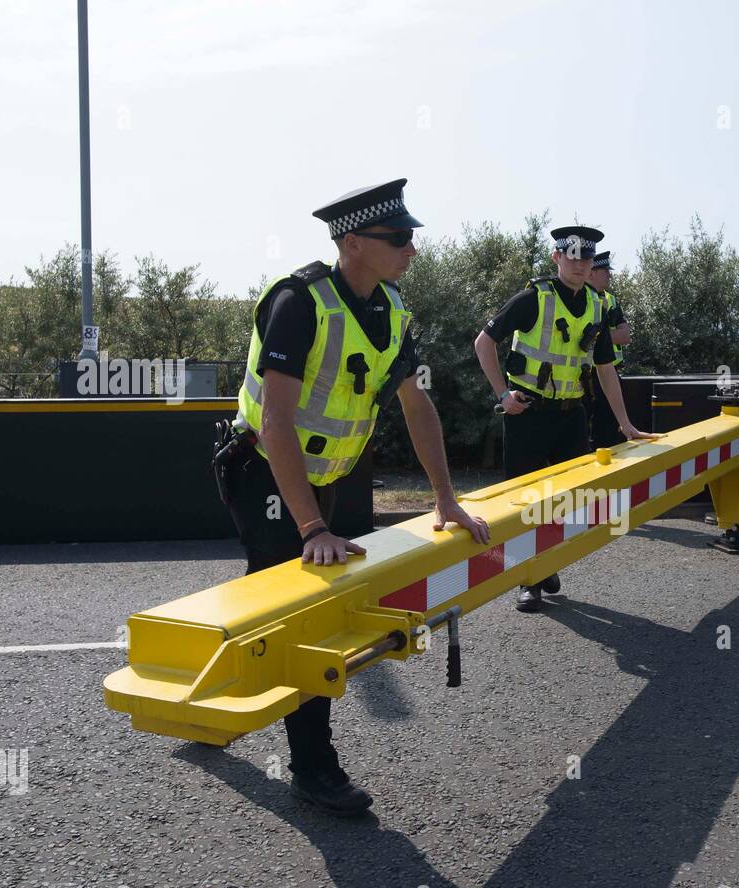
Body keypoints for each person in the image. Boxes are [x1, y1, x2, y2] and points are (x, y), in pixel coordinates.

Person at [217, 178, 489, 816]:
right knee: (307, 610)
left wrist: (445, 498)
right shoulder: (298, 302)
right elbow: (277, 422)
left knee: (277, 598)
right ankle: (314, 768)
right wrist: (312, 528)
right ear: (351, 242)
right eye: (398, 238)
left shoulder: (391, 307)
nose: (411, 249)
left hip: (323, 478)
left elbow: (416, 404)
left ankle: (230, 684)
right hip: (263, 472)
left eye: (412, 237)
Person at [473, 225, 654, 613]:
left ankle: (546, 563)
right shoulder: (532, 298)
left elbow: (606, 369)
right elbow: (483, 342)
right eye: (571, 257)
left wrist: (625, 425)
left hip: (572, 415)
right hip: (528, 415)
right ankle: (530, 580)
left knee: (567, 503)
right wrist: (502, 395)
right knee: (526, 503)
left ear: (592, 265)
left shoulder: (596, 305)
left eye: (586, 259)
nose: (579, 264)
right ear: (557, 258)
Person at [585, 250, 632, 449]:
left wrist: (598, 338)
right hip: (583, 376)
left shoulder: (611, 300)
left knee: (608, 430)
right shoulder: (578, 299)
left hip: (610, 373)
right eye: (605, 270)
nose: (610, 274)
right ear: (591, 273)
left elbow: (625, 336)